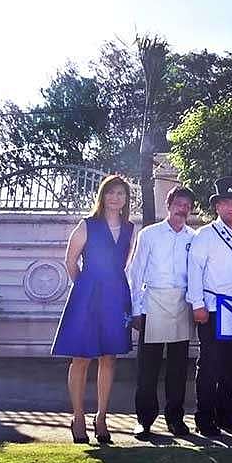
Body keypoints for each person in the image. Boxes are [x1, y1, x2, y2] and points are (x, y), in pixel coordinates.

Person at [52, 175, 135, 444]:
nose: (115, 197)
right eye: (110, 192)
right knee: (81, 357)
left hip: (116, 295)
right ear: (102, 195)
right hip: (87, 295)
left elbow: (125, 264)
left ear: (126, 199)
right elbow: (70, 260)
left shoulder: (130, 228)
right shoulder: (87, 224)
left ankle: (101, 418)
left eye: (121, 193)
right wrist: (85, 287)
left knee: (109, 357)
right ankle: (77, 416)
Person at [187, 177, 232, 436]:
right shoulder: (205, 235)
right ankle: (203, 417)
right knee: (209, 365)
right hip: (214, 309)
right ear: (217, 207)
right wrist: (197, 304)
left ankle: (225, 413)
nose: (231, 207)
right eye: (225, 203)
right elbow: (194, 270)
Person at [128, 185, 196, 439]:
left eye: (187, 205)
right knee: (148, 368)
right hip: (153, 302)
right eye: (179, 203)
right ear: (168, 205)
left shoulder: (193, 237)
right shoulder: (150, 234)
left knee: (178, 369)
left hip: (182, 303)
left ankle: (175, 419)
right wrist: (135, 309)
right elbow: (135, 273)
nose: (183, 208)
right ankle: (144, 420)